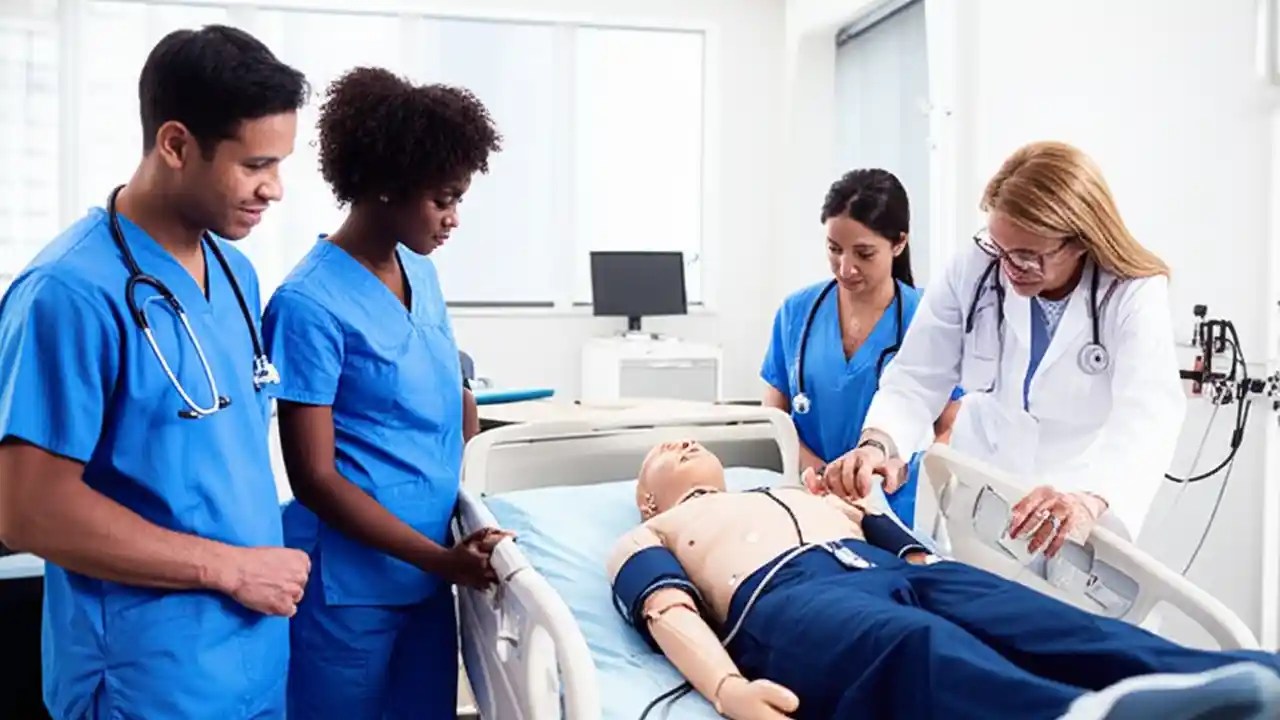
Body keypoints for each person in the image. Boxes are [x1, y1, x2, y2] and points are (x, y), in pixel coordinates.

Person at [0, 26, 310, 720]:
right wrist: (231, 567)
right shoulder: (68, 293)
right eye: (256, 164)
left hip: (253, 659)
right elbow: (27, 511)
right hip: (148, 680)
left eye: (281, 164)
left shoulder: (235, 270)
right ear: (175, 145)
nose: (275, 189)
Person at [608, 440, 1280, 720]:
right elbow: (670, 611)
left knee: (1051, 624)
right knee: (914, 645)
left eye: (692, 440)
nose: (687, 444)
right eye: (666, 448)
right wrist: (728, 692)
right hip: (785, 598)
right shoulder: (648, 534)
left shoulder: (785, 487)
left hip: (896, 567)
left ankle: (1243, 682)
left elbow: (874, 519)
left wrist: (924, 560)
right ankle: (1075, 716)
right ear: (646, 497)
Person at [261, 67, 505, 719]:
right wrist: (441, 558)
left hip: (426, 575)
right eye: (443, 199)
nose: (453, 219)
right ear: (385, 188)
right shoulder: (308, 304)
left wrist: (470, 504)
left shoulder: (420, 272)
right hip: (350, 588)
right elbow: (312, 476)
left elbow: (454, 395)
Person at [813, 141, 1187, 557]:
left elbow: (1149, 414)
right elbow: (916, 376)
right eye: (1001, 249)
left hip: (1076, 502)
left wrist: (1089, 499)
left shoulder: (1131, 293)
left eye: (1028, 255)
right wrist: (877, 445)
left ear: (1080, 241)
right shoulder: (976, 267)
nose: (1008, 268)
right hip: (982, 490)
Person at [761, 169, 961, 528]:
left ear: (898, 243)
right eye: (834, 249)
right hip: (811, 500)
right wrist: (825, 476)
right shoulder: (796, 313)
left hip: (897, 507)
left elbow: (951, 426)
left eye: (864, 253)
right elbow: (773, 417)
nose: (846, 267)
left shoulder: (928, 319)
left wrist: (909, 470)